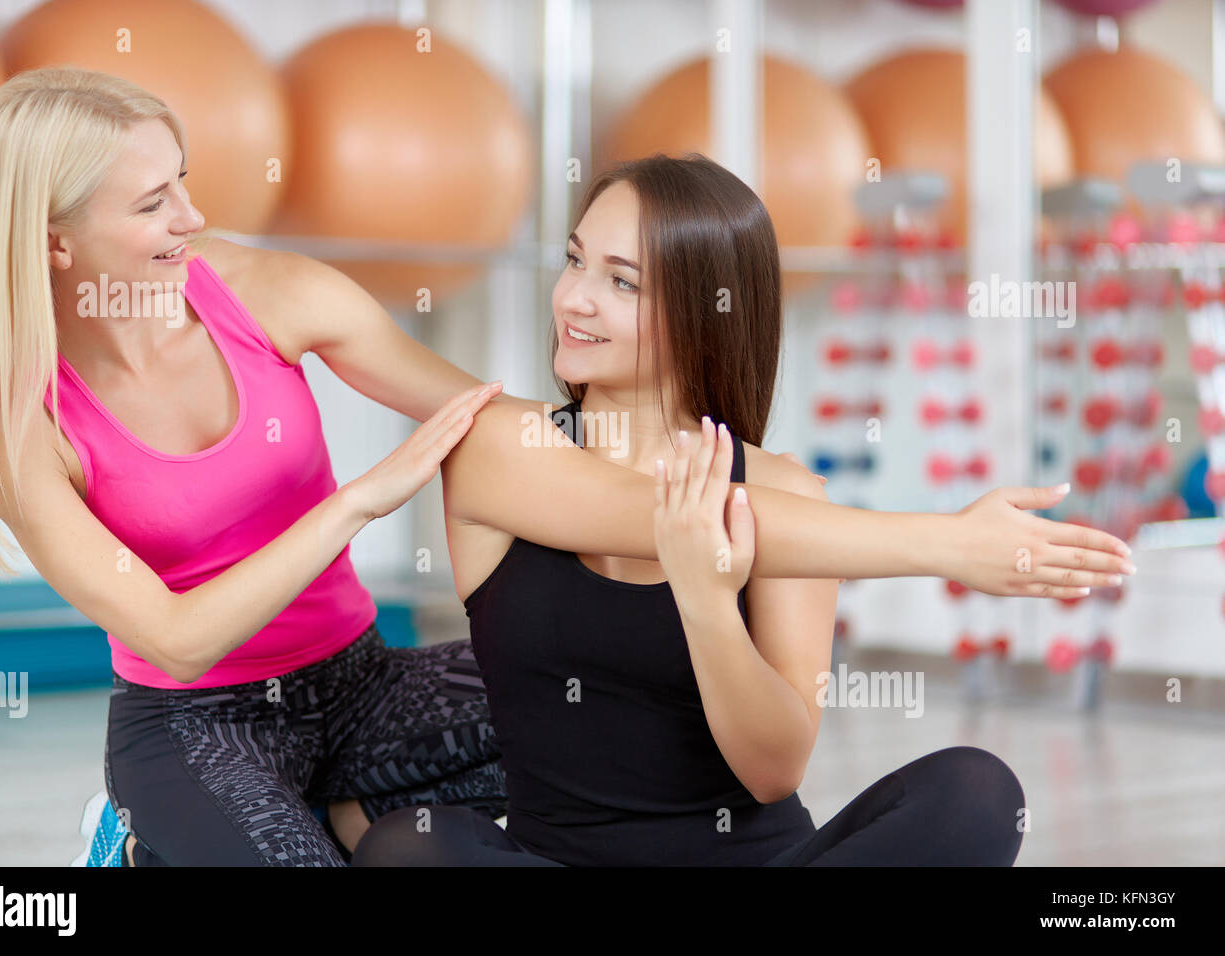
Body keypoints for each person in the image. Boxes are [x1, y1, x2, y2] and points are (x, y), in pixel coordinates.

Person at [0, 69, 1130, 867]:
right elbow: (179, 639)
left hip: (358, 682)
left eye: (186, 176)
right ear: (56, 238)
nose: (195, 214)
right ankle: (151, 842)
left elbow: (477, 413)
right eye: (156, 199)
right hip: (198, 723)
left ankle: (354, 816)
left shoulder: (266, 292)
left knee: (608, 725)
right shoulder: (17, 415)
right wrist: (357, 501)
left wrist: (599, 460)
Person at [348, 155, 1127, 866]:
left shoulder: (791, 496)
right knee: (410, 848)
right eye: (576, 260)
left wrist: (709, 604)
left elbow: (771, 772)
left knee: (976, 791)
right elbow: (647, 508)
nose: (575, 300)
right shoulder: (500, 445)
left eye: (622, 282)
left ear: (703, 312)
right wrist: (948, 544)